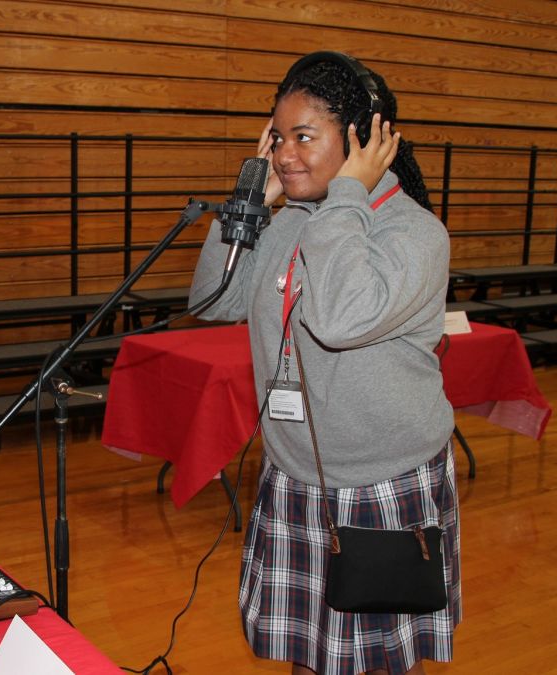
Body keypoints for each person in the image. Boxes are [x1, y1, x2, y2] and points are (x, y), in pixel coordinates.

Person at [189, 52, 460, 674]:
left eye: (304, 137)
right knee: (311, 653)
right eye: (278, 137)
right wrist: (250, 202)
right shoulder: (291, 224)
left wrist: (345, 196)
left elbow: (341, 320)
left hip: (381, 479)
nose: (285, 153)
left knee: (378, 661)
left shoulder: (413, 234)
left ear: (363, 138)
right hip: (294, 471)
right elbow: (213, 298)